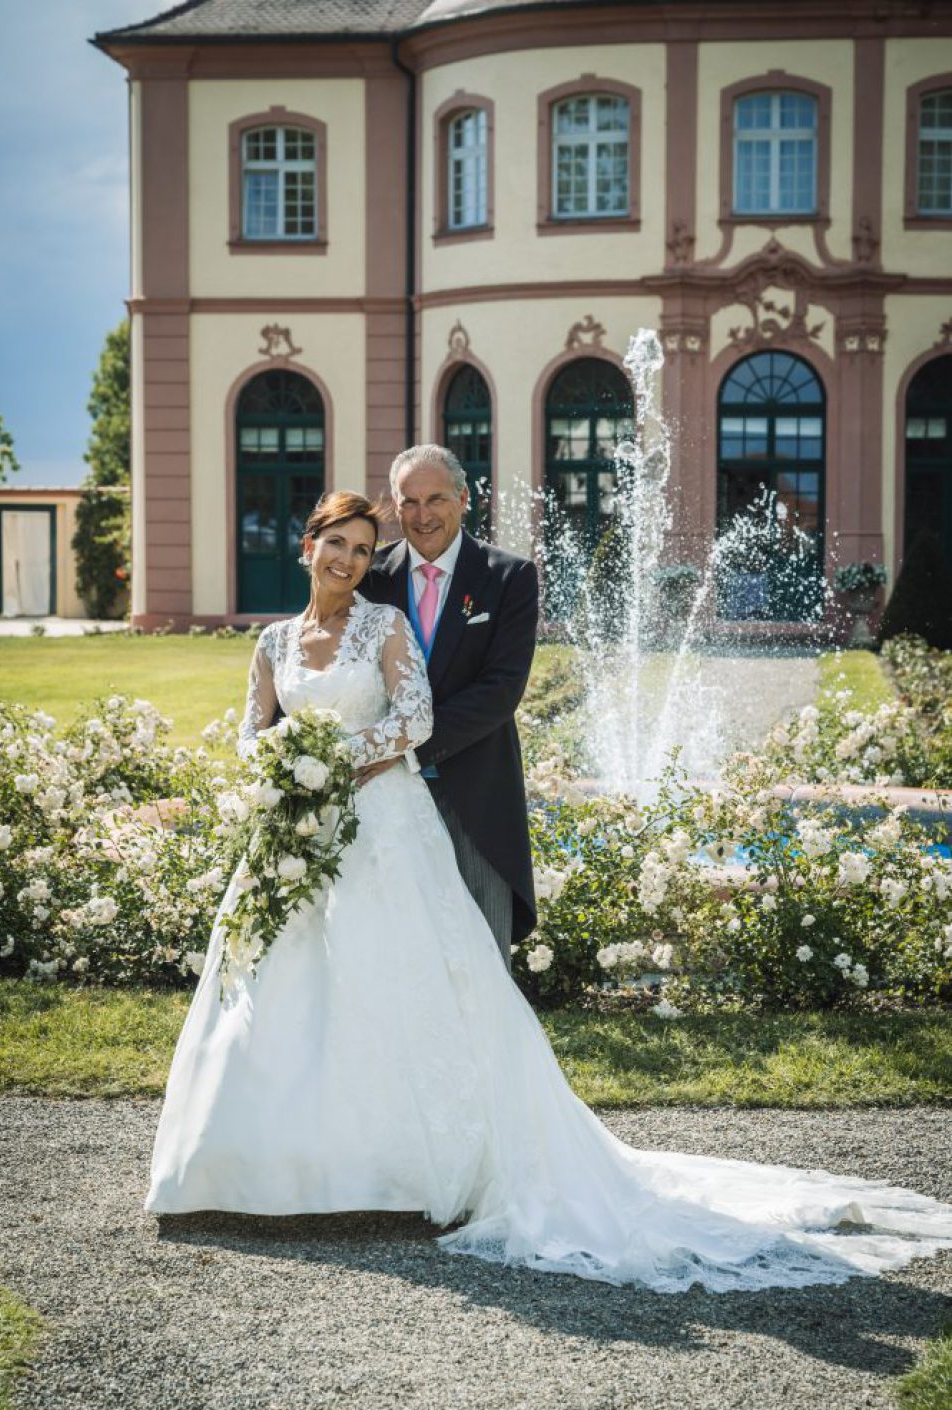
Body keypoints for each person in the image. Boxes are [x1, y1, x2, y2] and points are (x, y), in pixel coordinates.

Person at [145, 490, 952, 1292]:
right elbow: (253, 732)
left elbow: (416, 716)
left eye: (362, 550)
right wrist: (286, 766)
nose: (350, 562)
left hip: (382, 827)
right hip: (292, 833)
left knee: (394, 980)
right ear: (307, 545)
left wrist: (334, 758)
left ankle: (401, 1174)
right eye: (338, 546)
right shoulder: (274, 643)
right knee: (282, 984)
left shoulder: (385, 626)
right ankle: (258, 1167)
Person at [360, 444, 538, 968]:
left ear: (464, 498)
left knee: (482, 956)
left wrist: (406, 747)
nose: (422, 515)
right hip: (384, 797)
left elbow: (502, 689)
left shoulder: (509, 578)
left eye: (435, 498)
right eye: (408, 502)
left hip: (477, 795)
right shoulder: (370, 579)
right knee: (396, 954)